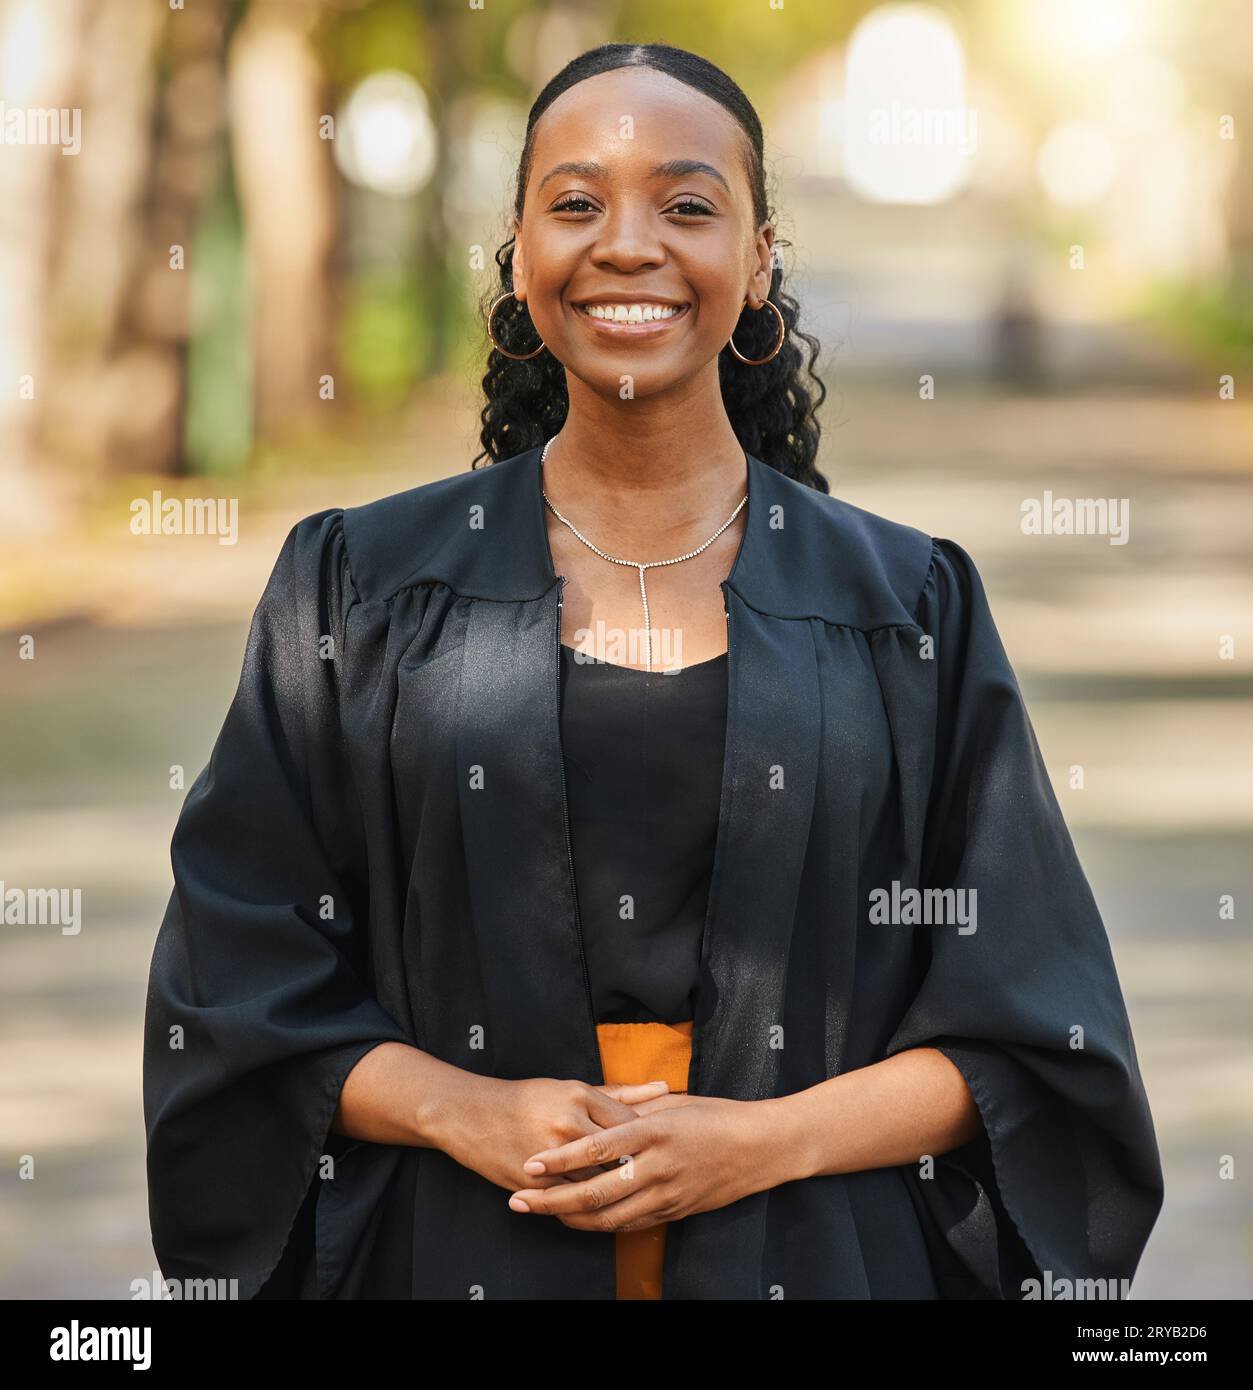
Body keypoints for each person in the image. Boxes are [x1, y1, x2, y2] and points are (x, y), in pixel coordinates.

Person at [143, 42, 1163, 1301]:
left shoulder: (905, 606)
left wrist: (761, 1140)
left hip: (820, 1256)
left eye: (688, 205)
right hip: (456, 1251)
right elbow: (237, 975)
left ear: (761, 256)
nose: (629, 244)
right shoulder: (360, 583)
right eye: (576, 203)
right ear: (518, 253)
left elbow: (1034, 1025)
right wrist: (465, 1110)